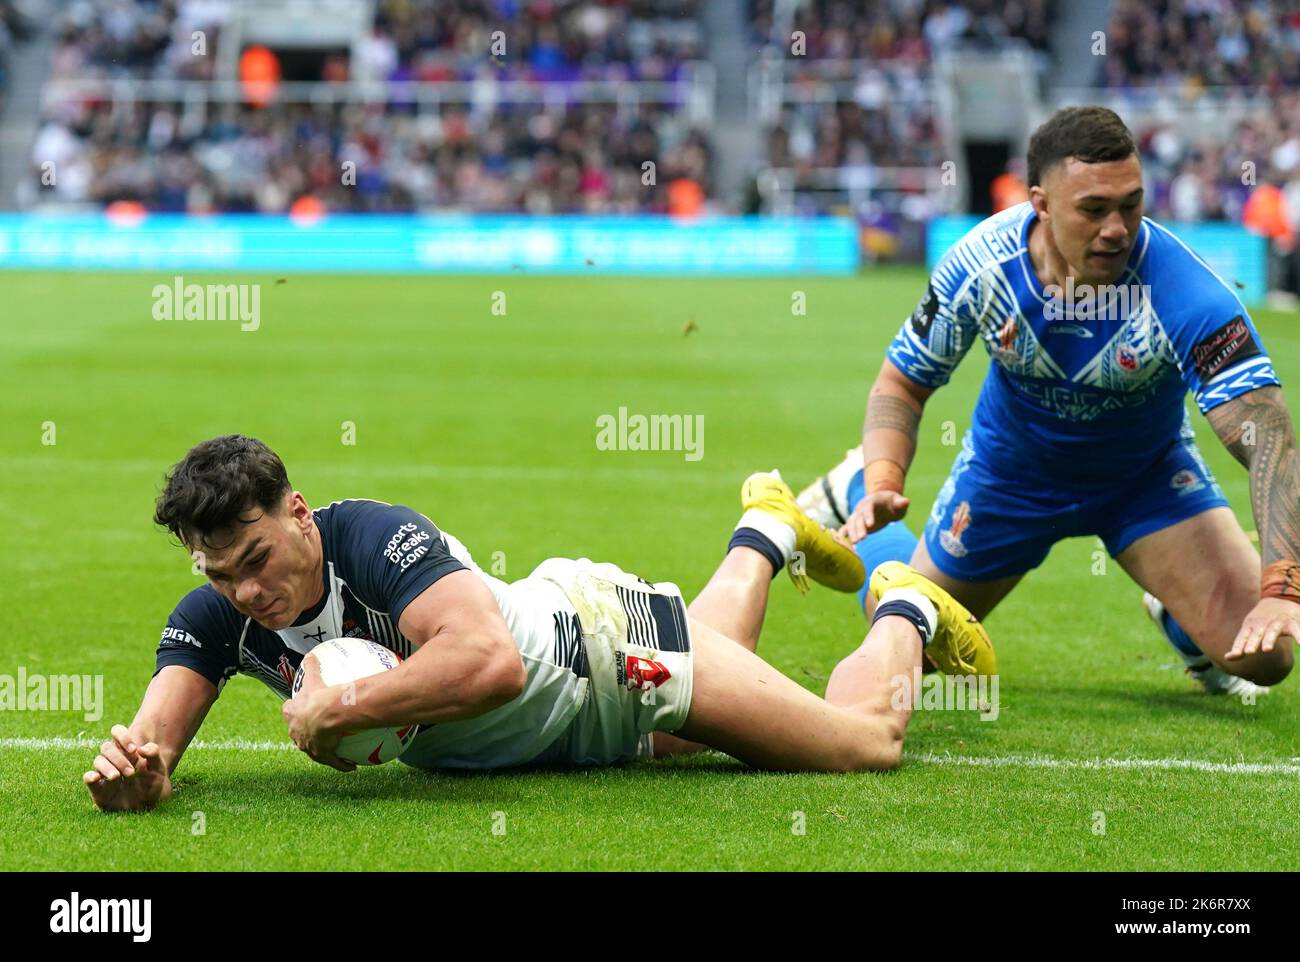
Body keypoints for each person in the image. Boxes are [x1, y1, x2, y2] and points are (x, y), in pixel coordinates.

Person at [83, 435, 995, 811]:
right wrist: (140, 774)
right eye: (219, 575)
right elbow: (156, 743)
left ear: (299, 515)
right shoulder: (219, 618)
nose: (247, 592)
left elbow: (489, 666)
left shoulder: (374, 538)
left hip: (603, 655)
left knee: (861, 743)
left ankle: (905, 604)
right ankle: (765, 529)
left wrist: (342, 708)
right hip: (551, 737)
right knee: (726, 676)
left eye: (256, 561)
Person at [797, 105, 1298, 697]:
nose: (1116, 227)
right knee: (913, 651)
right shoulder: (979, 266)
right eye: (1093, 209)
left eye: (1131, 204)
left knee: (1268, 656)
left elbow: (1269, 437)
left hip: (1146, 480)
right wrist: (884, 474)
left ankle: (1179, 619)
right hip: (1010, 477)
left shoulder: (1190, 294)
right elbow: (903, 381)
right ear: (1040, 203)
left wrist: (1283, 587)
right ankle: (853, 485)